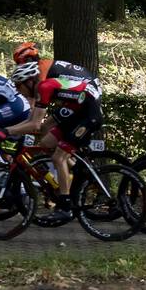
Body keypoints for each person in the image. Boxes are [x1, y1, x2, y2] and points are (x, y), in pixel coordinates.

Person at [9, 60, 103, 223]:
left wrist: (6, 131)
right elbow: (34, 121)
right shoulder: (43, 86)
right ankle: (77, 169)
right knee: (47, 142)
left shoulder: (44, 87)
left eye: (19, 86)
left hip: (89, 114)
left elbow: (34, 124)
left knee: (58, 157)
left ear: (28, 81)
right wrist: (10, 130)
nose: (19, 91)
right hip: (77, 109)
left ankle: (65, 206)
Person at [12, 41, 102, 94]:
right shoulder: (44, 64)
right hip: (90, 83)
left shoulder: (41, 70)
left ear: (29, 60)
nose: (21, 67)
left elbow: (36, 97)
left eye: (20, 64)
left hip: (88, 88)